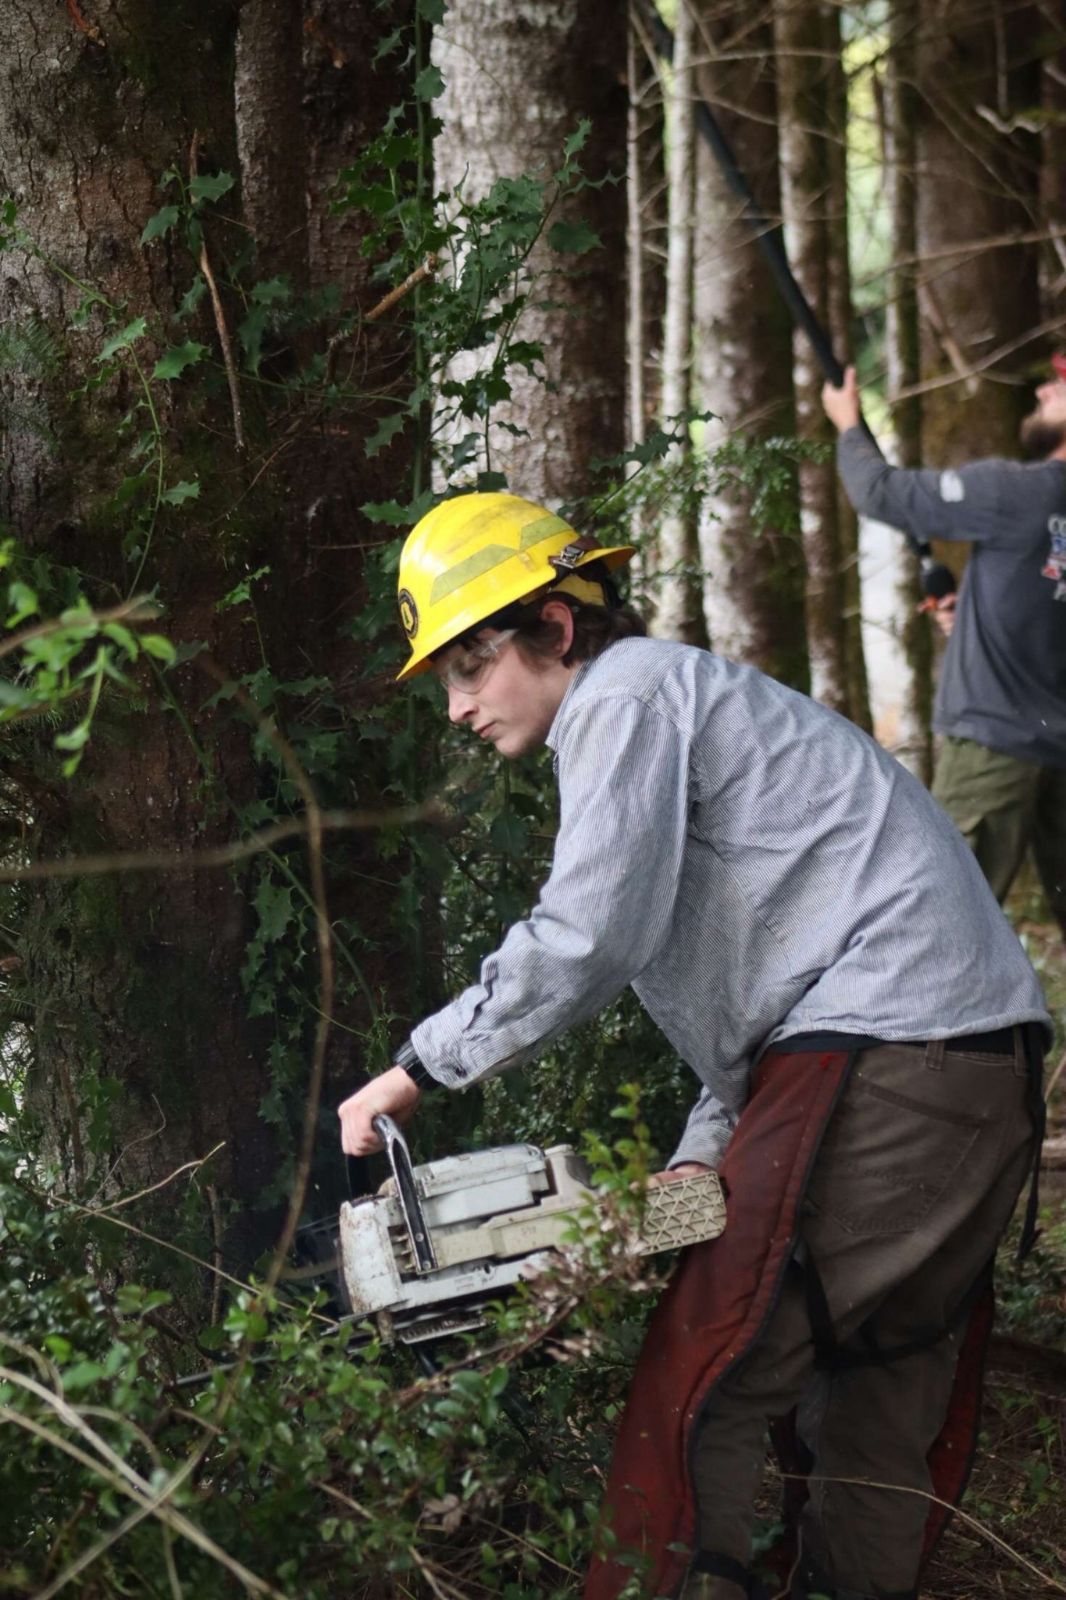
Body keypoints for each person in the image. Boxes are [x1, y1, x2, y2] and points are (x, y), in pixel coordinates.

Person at [338, 491, 1050, 1600]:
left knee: (706, 1377)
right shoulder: (685, 704)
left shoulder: (624, 700)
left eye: (469, 666)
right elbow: (772, 1009)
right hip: (968, 1073)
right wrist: (703, 1149)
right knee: (869, 1390)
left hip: (895, 1063)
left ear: (555, 630)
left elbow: (588, 933)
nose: (456, 707)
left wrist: (419, 1066)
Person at [822, 362, 1066, 938]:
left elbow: (880, 492)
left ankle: (938, 1030)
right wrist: (979, 619)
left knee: (944, 923)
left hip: (993, 746)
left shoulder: (1020, 490)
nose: (1043, 388)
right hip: (1055, 748)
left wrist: (849, 423)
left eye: (1061, 382)